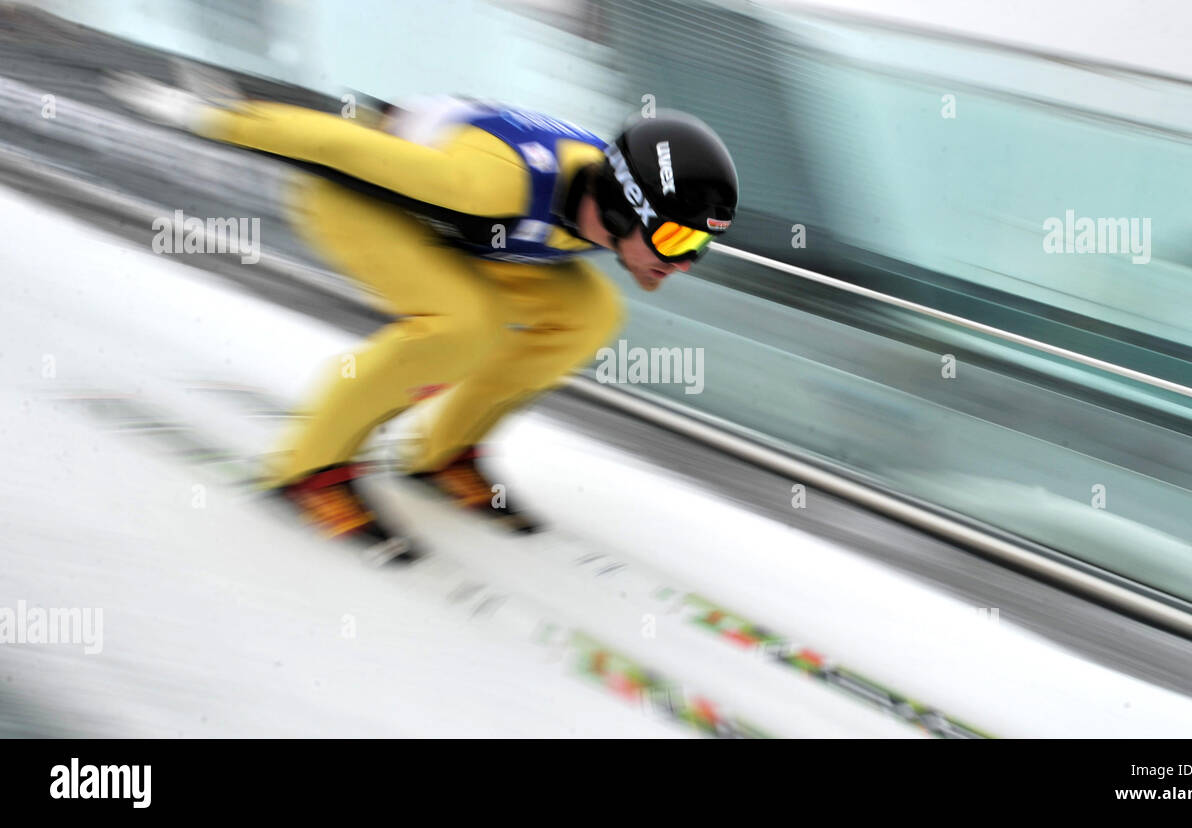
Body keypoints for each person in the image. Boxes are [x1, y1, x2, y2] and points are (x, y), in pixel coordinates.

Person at [106, 76, 739, 561]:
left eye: (700, 248)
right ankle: (308, 467)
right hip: (358, 199)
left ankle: (442, 453)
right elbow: (335, 144)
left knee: (592, 313)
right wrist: (210, 116)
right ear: (628, 209)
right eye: (679, 242)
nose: (685, 263)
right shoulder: (492, 185)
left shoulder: (599, 202)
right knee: (466, 324)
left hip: (490, 234)